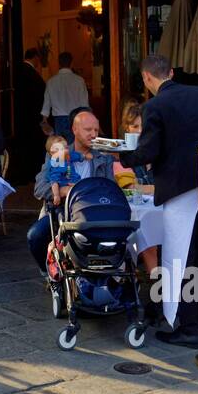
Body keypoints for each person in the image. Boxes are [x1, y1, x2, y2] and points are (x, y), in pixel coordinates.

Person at [116, 54, 198, 348]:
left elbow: (148, 151)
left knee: (180, 255)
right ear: (171, 73)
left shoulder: (155, 105)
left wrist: (123, 155)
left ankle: (188, 327)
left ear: (147, 78)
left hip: (179, 188)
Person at [26, 110, 118, 276]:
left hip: (94, 212)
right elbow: (39, 187)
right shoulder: (59, 152)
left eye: (96, 130)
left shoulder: (103, 157)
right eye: (88, 130)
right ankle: (48, 272)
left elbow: (110, 188)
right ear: (74, 130)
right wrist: (62, 191)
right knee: (35, 236)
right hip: (62, 211)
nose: (93, 134)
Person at [12, 47, 47, 183]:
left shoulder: (18, 71)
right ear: (36, 57)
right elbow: (38, 98)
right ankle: (30, 174)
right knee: (31, 148)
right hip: (31, 118)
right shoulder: (31, 74)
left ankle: (25, 174)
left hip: (20, 118)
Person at [41, 52, 89, 141]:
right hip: (75, 120)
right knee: (75, 148)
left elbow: (46, 106)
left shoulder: (51, 82)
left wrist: (44, 121)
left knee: (60, 149)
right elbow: (84, 105)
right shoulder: (79, 81)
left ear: (59, 63)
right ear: (71, 63)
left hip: (58, 121)